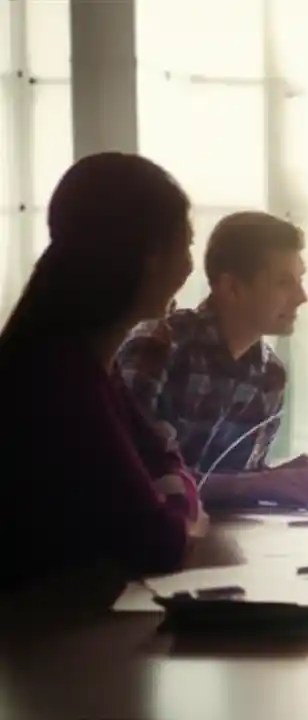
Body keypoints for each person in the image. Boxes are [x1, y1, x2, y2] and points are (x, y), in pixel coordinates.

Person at [0, 153, 207, 590]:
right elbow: (158, 542)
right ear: (151, 255)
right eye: (187, 243)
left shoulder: (81, 361)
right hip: (37, 640)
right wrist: (185, 508)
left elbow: (165, 458)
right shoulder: (60, 379)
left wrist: (171, 492)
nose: (190, 267)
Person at [116, 211, 308, 510]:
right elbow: (131, 479)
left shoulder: (270, 375)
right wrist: (262, 483)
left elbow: (233, 482)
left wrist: (293, 474)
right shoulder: (158, 347)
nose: (302, 297)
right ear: (232, 287)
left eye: (300, 279)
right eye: (284, 282)